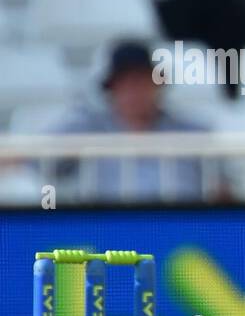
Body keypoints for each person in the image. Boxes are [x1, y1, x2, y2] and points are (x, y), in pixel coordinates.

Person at [52, 42, 219, 203]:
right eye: (125, 84)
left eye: (141, 82)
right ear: (112, 90)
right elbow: (40, 160)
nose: (134, 93)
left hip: (182, 227)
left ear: (158, 85)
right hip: (108, 227)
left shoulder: (193, 133)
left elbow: (221, 189)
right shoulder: (89, 130)